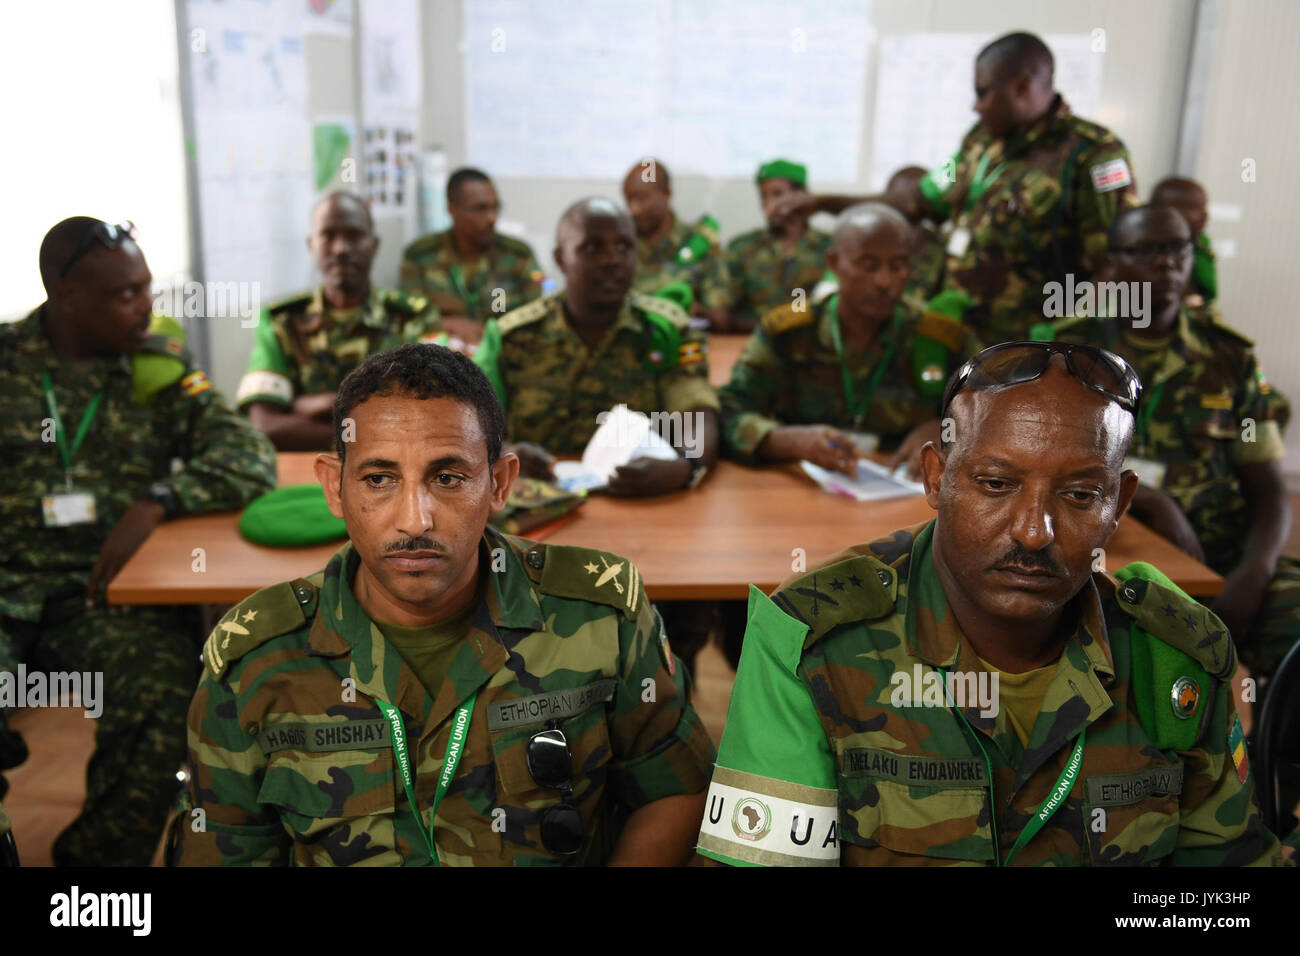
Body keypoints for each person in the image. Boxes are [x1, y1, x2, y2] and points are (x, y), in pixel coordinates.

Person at [697, 342, 1285, 866]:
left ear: (1120, 503)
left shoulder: (1173, 654)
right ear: (937, 476)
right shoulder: (811, 638)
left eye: (1081, 495)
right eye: (996, 485)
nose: (1034, 532)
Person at [173, 344, 714, 865]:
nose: (415, 519)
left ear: (499, 483)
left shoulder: (601, 615)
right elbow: (224, 848)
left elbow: (676, 790)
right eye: (379, 479)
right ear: (333, 487)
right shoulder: (253, 660)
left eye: (448, 477)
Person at [0, 217, 277, 865]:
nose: (147, 309)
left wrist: (162, 499)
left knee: (163, 689)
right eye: (125, 294)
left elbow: (248, 453)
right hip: (4, 588)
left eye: (148, 289)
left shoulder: (157, 372)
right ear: (63, 294)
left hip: (102, 598)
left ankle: (96, 876)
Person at [774, 32, 1138, 344]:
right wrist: (824, 202)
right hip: (959, 335)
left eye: (983, 93)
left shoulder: (1094, 155)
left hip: (1032, 344)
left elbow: (1117, 265)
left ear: (1023, 86)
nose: (975, 106)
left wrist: (1064, 332)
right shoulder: (978, 144)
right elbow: (915, 201)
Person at [478, 197, 721, 496]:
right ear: (560, 258)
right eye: (592, 248)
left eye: (624, 247)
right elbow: (471, 426)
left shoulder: (665, 330)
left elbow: (695, 411)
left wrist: (686, 468)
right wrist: (505, 453)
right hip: (539, 498)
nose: (611, 259)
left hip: (642, 499)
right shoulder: (512, 337)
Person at [719, 203, 980, 479]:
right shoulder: (789, 334)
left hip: (906, 490)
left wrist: (942, 428)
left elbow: (994, 414)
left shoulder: (939, 340)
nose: (884, 281)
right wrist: (789, 441)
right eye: (868, 265)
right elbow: (728, 410)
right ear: (833, 263)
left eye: (898, 266)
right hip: (802, 483)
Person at [237, 192, 442, 450]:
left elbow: (434, 415)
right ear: (311, 244)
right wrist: (371, 428)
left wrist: (323, 406)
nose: (341, 248)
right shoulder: (281, 323)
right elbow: (265, 425)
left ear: (374, 244)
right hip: (305, 475)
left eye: (354, 236)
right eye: (328, 236)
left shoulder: (415, 319)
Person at [400, 167, 545, 342]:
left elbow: (538, 315)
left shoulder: (518, 256)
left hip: (506, 355)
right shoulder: (421, 256)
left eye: (495, 207)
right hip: (443, 359)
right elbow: (406, 319)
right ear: (452, 209)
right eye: (480, 209)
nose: (492, 218)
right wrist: (447, 324)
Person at [724, 159, 832, 333]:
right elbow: (724, 313)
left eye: (777, 194)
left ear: (802, 196)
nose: (769, 204)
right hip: (751, 343)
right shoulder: (743, 248)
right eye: (763, 196)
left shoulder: (829, 248)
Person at [622, 159, 730, 330]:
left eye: (642, 199)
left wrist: (695, 311)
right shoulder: (620, 247)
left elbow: (720, 319)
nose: (634, 209)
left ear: (666, 193)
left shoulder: (699, 244)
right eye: (629, 201)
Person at [1151, 176, 1217, 305]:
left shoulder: (1200, 245)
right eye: (1195, 208)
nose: (1205, 216)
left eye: (1204, 208)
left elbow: (1209, 291)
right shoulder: (1141, 246)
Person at [887, 165, 947, 305]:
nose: (912, 209)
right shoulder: (866, 243)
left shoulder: (943, 248)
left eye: (921, 202)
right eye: (902, 201)